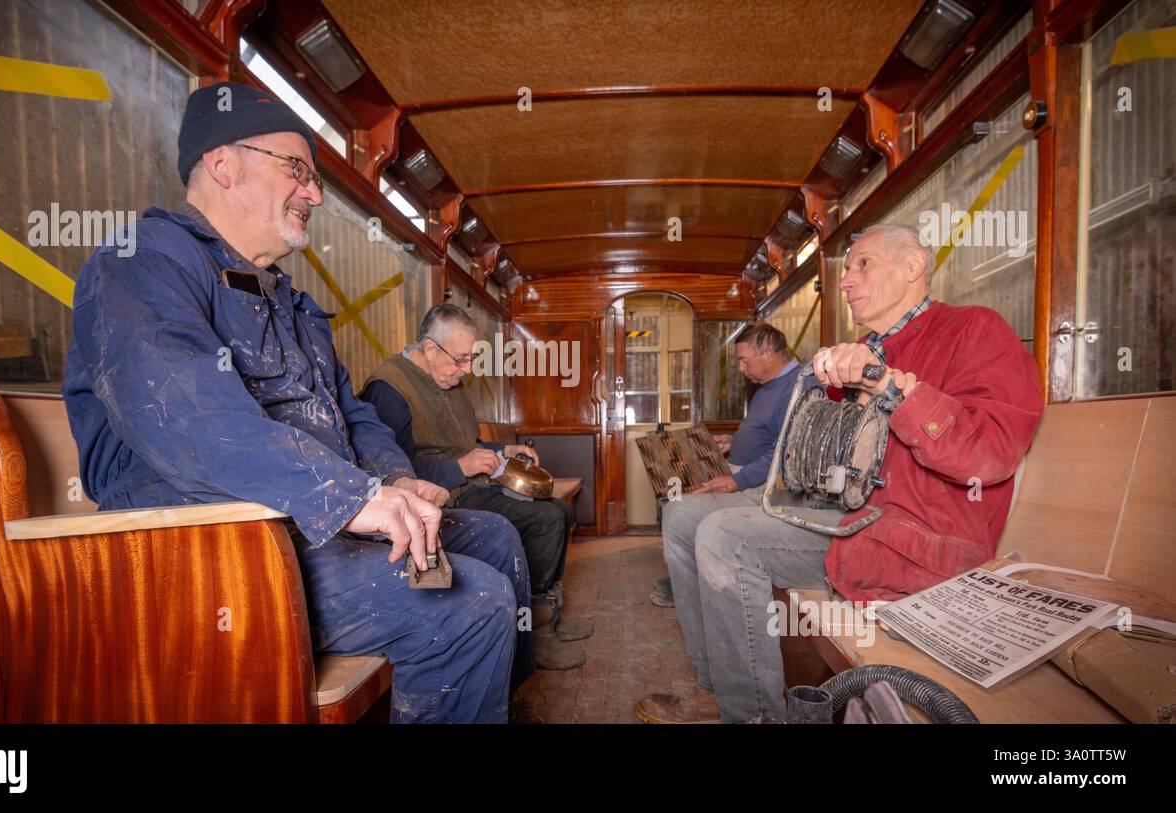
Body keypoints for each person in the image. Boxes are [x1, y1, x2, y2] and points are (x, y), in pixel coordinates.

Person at [62, 82, 533, 723]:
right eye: (297, 171)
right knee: (468, 603)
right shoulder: (141, 263)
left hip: (306, 527)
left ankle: (493, 703)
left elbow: (354, 415)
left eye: (313, 178)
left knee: (497, 538)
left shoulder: (291, 305)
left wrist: (394, 477)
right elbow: (189, 417)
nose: (313, 193)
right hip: (209, 552)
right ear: (222, 164)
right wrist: (353, 498)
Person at [635, 223, 1044, 723]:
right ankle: (714, 686)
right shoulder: (867, 346)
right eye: (846, 267)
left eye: (862, 264)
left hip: (904, 537)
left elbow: (990, 454)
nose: (846, 280)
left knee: (725, 536)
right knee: (681, 515)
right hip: (836, 512)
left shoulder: (974, 330)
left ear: (913, 266)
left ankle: (751, 716)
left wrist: (889, 386)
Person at [361, 304, 592, 671]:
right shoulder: (388, 390)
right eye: (461, 359)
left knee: (559, 510)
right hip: (445, 497)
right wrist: (458, 467)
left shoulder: (447, 378)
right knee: (546, 518)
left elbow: (466, 442)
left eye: (471, 359)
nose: (467, 369)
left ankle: (544, 615)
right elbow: (393, 474)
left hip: (473, 483)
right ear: (431, 348)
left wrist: (503, 450)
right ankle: (532, 633)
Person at [649, 322, 804, 608]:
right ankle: (686, 579)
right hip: (739, 471)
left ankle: (691, 587)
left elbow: (786, 454)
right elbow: (766, 435)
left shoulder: (799, 386)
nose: (742, 369)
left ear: (769, 351)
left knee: (678, 507)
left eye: (745, 360)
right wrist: (732, 442)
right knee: (669, 487)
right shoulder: (767, 387)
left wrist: (737, 480)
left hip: (759, 486)